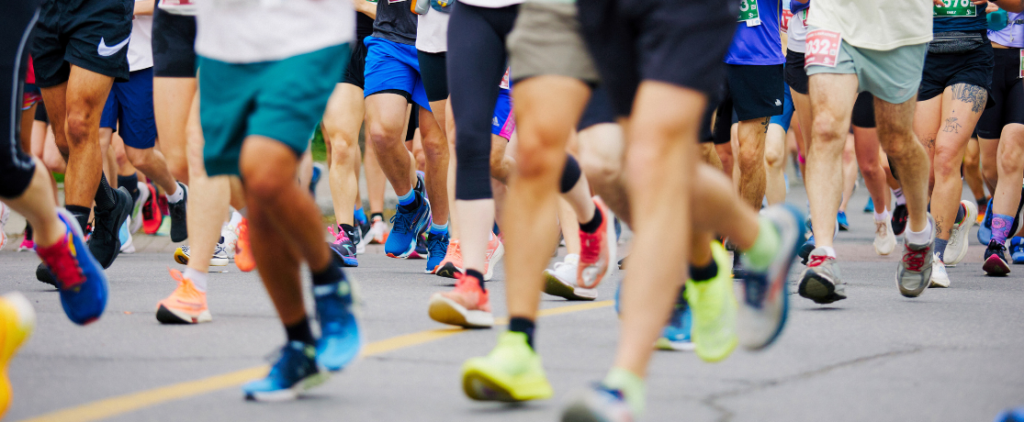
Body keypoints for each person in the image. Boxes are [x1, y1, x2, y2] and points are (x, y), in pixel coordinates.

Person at [193, 0, 360, 400]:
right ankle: (299, 342)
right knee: (256, 189)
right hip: (226, 43)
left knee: (264, 171)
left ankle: (330, 286)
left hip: (306, 29)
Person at [799, 0, 962, 302]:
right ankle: (823, 255)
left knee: (897, 141)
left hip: (899, 28)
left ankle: (917, 234)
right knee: (825, 128)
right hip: (834, 16)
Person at [32, 0, 135, 272]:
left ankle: (71, 251)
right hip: (45, 9)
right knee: (64, 139)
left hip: (100, 8)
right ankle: (110, 204)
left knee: (79, 125)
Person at [363, 0, 450, 262]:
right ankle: (410, 204)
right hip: (391, 36)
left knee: (435, 145)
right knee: (381, 133)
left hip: (442, 40)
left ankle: (439, 234)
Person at [976, 6, 1024, 275]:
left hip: (1023, 59)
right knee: (991, 168)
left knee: (1013, 148)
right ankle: (1004, 205)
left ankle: (997, 243)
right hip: (988, 57)